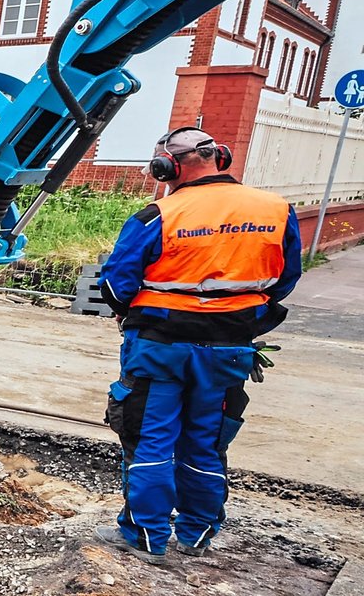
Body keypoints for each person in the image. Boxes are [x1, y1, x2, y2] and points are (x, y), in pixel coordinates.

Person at [96, 127, 301, 561]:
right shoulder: (277, 210)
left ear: (166, 167)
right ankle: (196, 535)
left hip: (159, 348)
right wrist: (233, 310)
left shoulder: (159, 214)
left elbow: (116, 283)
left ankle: (146, 537)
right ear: (219, 158)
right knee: (206, 442)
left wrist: (135, 307)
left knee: (151, 440)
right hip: (229, 347)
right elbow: (286, 279)